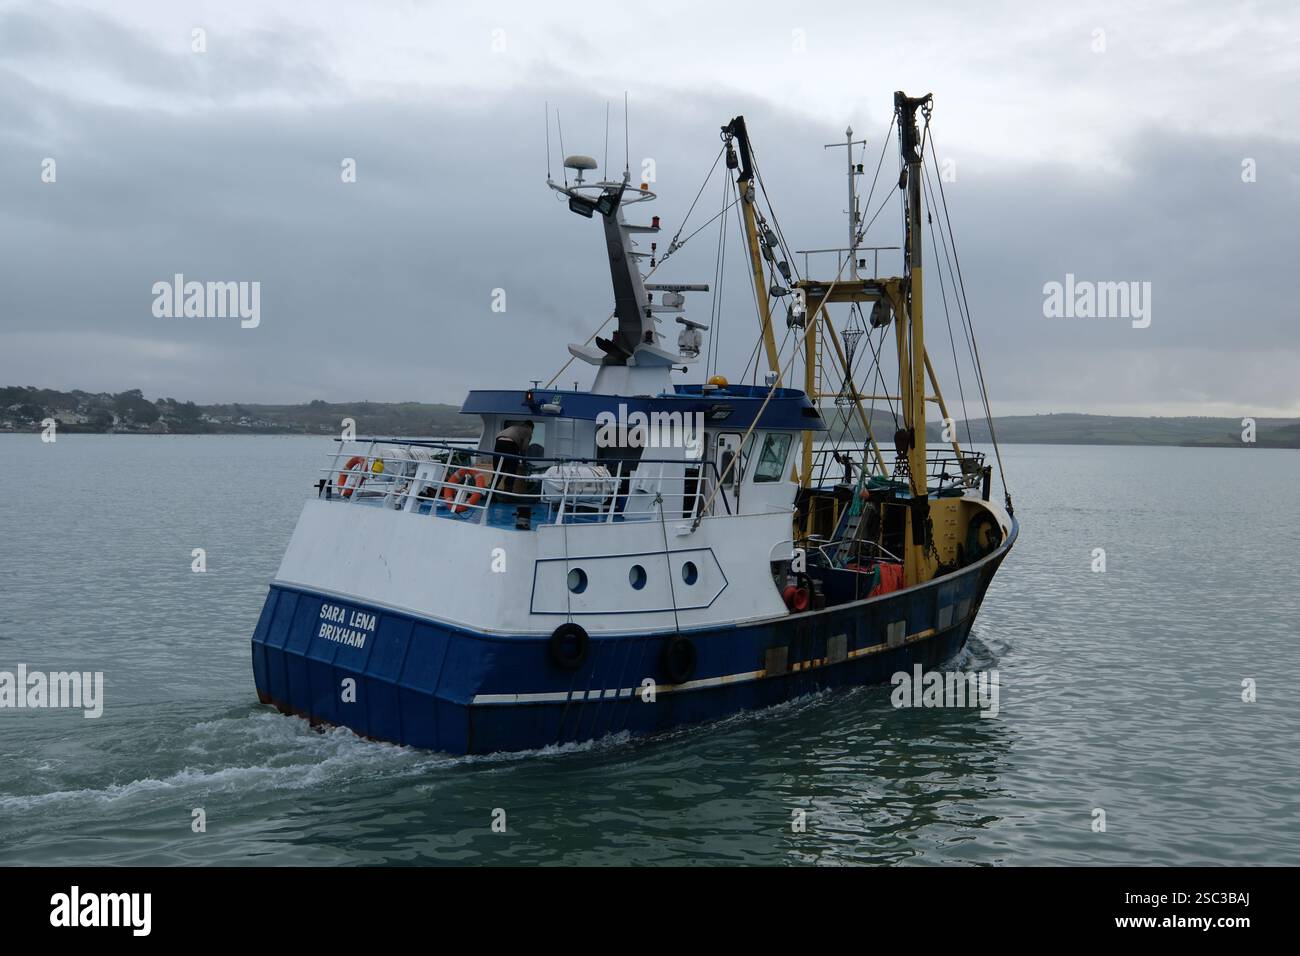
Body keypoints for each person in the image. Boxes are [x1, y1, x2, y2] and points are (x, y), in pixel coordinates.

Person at [492, 421, 534, 494]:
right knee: (511, 471)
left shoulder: (513, 427)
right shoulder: (528, 431)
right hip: (511, 444)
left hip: (498, 443)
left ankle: (491, 493)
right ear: (530, 428)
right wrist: (524, 462)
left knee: (498, 471)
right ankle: (507, 495)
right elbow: (524, 448)